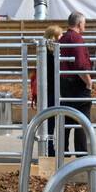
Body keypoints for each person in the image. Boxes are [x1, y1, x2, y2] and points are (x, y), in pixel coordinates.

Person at [57, 12, 94, 155]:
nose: (85, 26)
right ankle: (82, 154)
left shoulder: (63, 38)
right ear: (79, 24)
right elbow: (80, 65)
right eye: (84, 23)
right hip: (77, 85)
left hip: (65, 83)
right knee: (82, 121)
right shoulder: (76, 38)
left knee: (66, 119)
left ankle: (63, 152)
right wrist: (88, 82)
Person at [29, 25, 64, 156]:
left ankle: (48, 149)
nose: (61, 39)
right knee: (49, 123)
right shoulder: (51, 55)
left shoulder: (45, 53)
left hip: (47, 92)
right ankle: (49, 150)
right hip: (50, 92)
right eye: (60, 36)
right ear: (53, 38)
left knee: (48, 122)